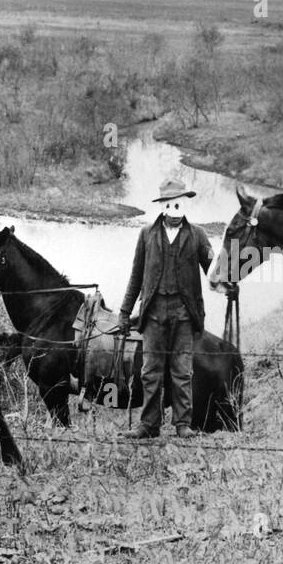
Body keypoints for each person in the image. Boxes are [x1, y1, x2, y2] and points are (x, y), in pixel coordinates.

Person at [117, 177, 215, 439]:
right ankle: (149, 425)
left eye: (179, 204)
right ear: (162, 206)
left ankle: (183, 424)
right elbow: (136, 276)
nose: (174, 211)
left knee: (182, 371)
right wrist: (125, 312)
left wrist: (229, 281)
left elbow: (214, 271)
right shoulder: (146, 234)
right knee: (150, 371)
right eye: (170, 204)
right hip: (153, 314)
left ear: (185, 205)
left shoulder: (198, 235)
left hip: (184, 314)